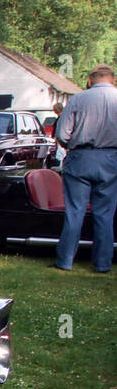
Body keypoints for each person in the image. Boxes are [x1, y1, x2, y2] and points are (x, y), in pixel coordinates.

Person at [53, 64, 117, 273]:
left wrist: (72, 145)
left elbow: (62, 134)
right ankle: (102, 263)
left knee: (75, 211)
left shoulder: (78, 99)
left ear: (90, 80)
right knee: (105, 213)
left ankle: (65, 261)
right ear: (112, 80)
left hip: (81, 156)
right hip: (111, 158)